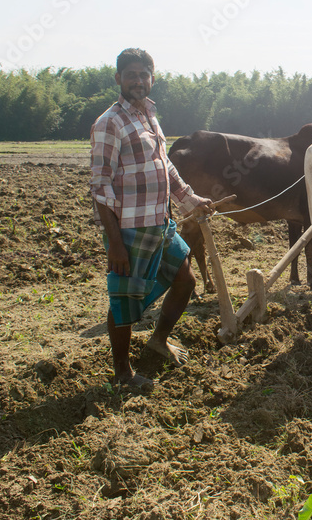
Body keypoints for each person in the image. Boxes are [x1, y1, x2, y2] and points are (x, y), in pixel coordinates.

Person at [89, 48, 214, 388]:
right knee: (124, 300)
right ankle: (123, 374)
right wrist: (115, 242)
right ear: (118, 79)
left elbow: (165, 167)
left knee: (185, 278)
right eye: (131, 74)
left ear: (152, 79)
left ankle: (158, 339)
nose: (138, 81)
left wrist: (191, 199)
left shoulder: (149, 116)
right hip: (129, 229)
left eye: (144, 75)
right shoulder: (109, 123)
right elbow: (100, 187)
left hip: (159, 222)